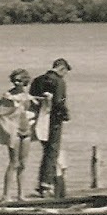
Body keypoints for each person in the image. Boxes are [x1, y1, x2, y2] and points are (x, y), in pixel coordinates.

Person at [28, 59, 72, 197]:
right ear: (61, 68)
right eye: (65, 72)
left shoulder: (37, 80)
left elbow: (31, 98)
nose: (64, 75)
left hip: (38, 119)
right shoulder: (59, 81)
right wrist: (66, 114)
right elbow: (60, 101)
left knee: (46, 151)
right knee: (52, 151)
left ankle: (44, 183)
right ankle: (46, 184)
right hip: (54, 120)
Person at [0, 68, 38, 201]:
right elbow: (2, 112)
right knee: (13, 163)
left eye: (20, 80)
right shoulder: (8, 95)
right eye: (15, 80)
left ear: (25, 81)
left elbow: (36, 110)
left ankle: (21, 194)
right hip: (14, 130)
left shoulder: (28, 96)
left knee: (23, 163)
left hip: (26, 130)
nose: (17, 83)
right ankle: (6, 195)